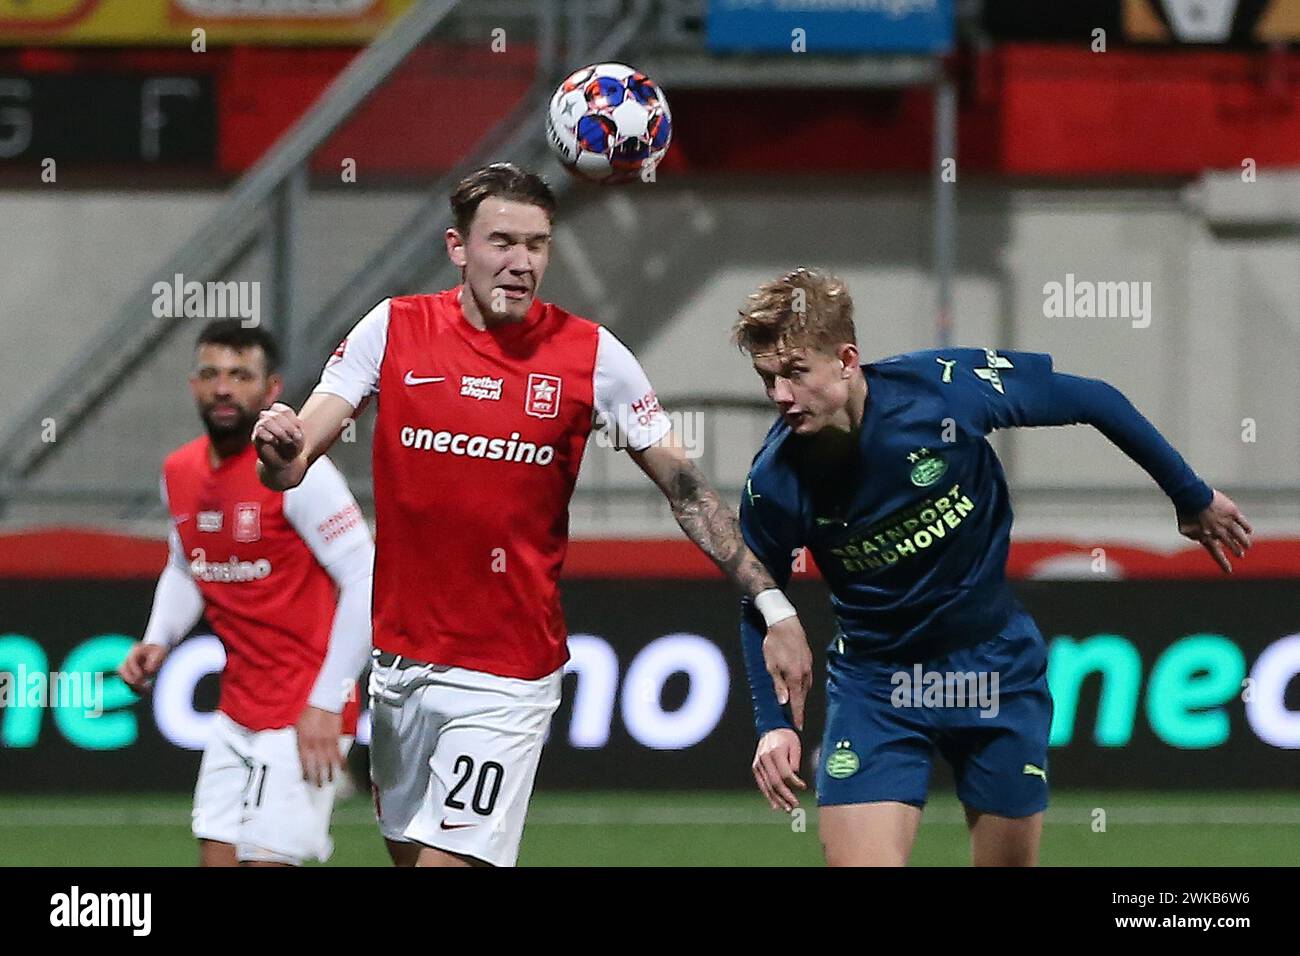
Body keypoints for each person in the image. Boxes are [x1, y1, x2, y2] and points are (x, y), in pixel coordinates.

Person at [252, 163, 812, 868]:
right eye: (502, 242)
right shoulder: (393, 330)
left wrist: (772, 604)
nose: (521, 263)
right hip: (399, 664)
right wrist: (276, 446)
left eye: (537, 244)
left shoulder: (592, 355)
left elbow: (687, 489)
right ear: (458, 247)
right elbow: (294, 459)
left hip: (506, 676)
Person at [735, 267, 1252, 866]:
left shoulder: (944, 392)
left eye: (795, 373)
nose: (779, 396)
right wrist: (773, 723)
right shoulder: (776, 481)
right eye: (768, 378)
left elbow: (1094, 399)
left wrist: (1190, 496)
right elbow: (759, 597)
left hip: (995, 670)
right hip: (878, 686)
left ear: (847, 359)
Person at [118, 320, 374, 867]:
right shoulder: (179, 471)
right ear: (194, 386)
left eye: (240, 375)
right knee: (216, 859)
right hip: (237, 710)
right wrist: (158, 638)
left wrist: (327, 703)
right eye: (211, 374)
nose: (224, 388)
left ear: (271, 389)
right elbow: (187, 564)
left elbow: (364, 578)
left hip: (305, 708)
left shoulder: (301, 474)